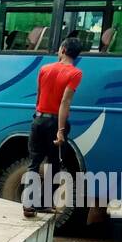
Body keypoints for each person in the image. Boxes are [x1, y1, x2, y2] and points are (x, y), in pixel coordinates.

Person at [23, 37, 83, 217]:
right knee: (53, 164)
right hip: (55, 122)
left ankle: (28, 204)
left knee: (33, 163)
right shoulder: (76, 74)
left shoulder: (44, 69)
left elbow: (39, 96)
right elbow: (65, 102)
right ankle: (44, 204)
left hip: (39, 120)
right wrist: (61, 130)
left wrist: (38, 115)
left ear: (63, 50)